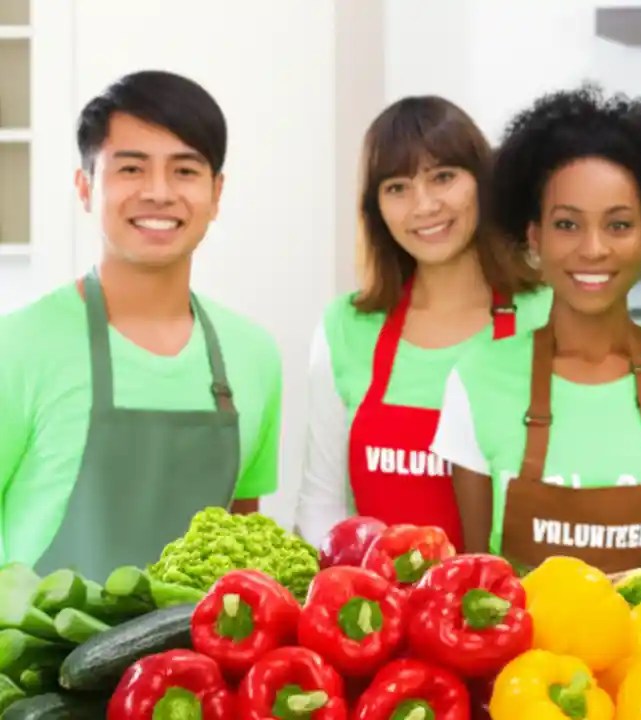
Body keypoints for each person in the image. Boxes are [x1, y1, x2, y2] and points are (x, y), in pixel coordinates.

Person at [431, 85, 641, 572]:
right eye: (567, 225)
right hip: (525, 652)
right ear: (534, 235)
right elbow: (480, 590)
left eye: (619, 225)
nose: (594, 249)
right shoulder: (477, 379)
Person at [0, 71, 282, 579]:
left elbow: (244, 556)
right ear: (85, 187)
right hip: (35, 657)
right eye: (131, 168)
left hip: (201, 659)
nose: (158, 192)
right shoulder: (16, 348)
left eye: (185, 171)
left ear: (216, 193)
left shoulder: (253, 355)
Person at [294, 97, 551, 550]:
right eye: (397, 187)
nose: (424, 205)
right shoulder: (346, 327)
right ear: (376, 208)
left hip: (510, 609)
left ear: (483, 182)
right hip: (377, 612)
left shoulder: (547, 316)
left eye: (443, 177)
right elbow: (321, 506)